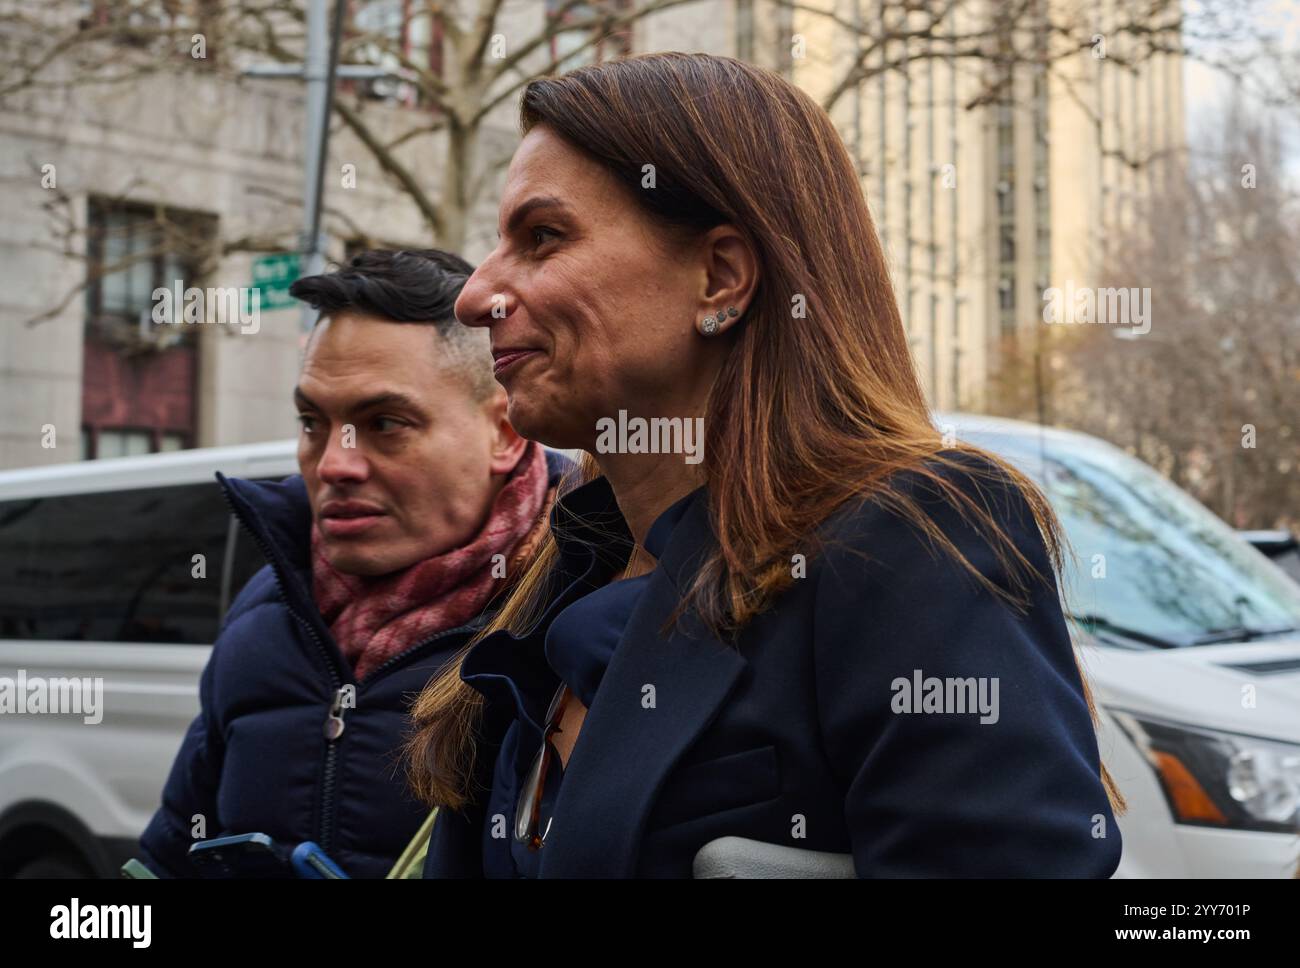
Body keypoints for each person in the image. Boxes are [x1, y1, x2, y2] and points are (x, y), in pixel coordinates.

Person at [406, 53, 1126, 879]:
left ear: (720, 277)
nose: (474, 296)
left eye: (543, 237)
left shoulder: (907, 538)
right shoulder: (561, 585)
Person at [138, 249, 571, 877]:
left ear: (503, 433)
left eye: (385, 423)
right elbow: (168, 855)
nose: (334, 464)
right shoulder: (265, 609)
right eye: (313, 422)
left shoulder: (577, 619)